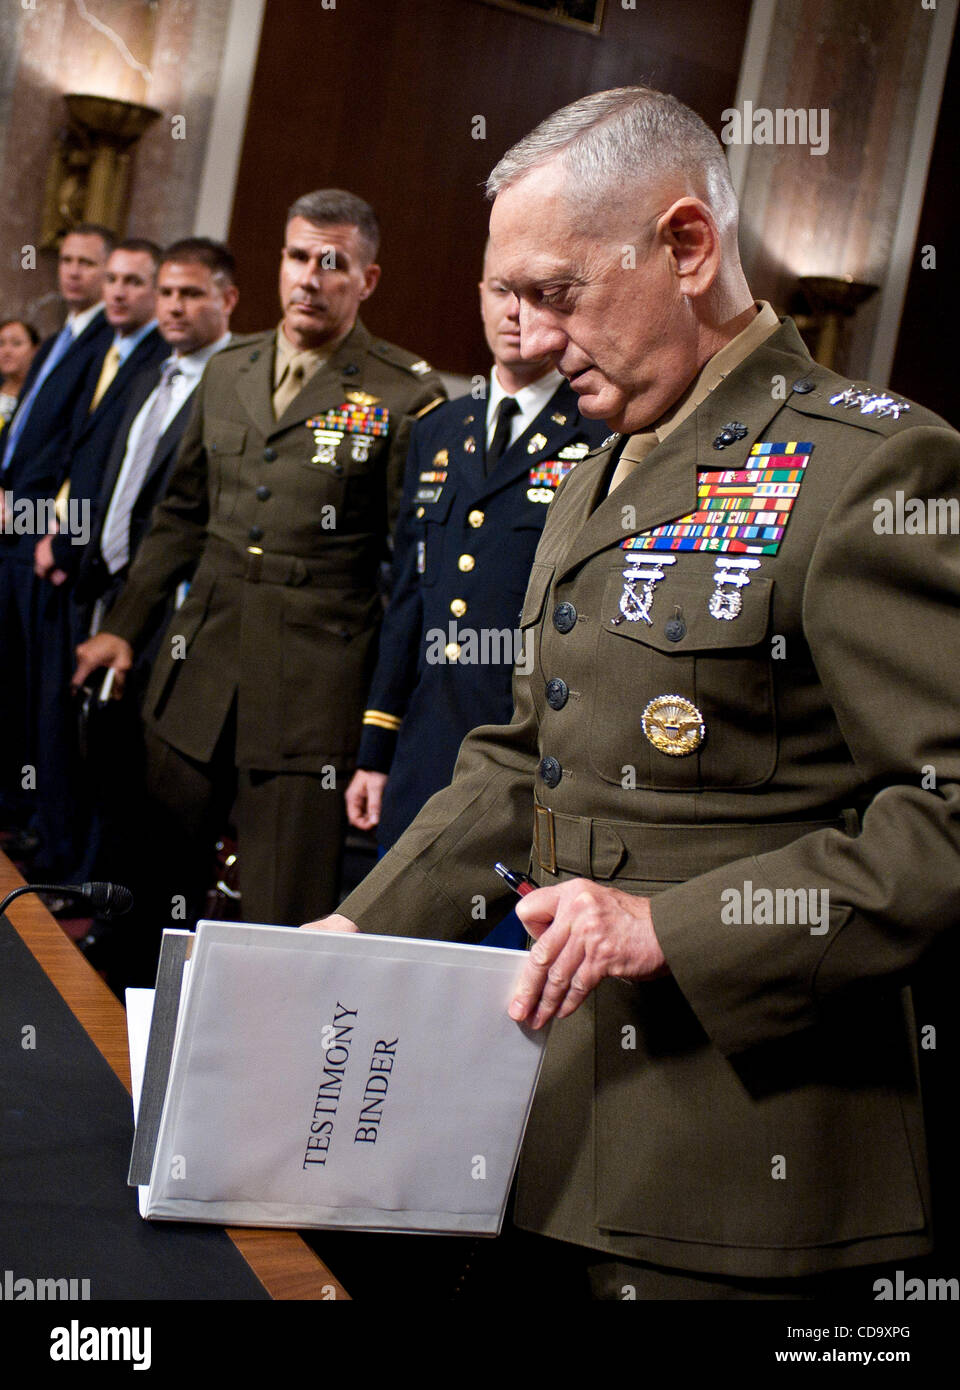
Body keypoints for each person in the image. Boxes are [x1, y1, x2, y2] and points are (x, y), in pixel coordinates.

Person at [305, 87, 960, 1299]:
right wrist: (356, 933)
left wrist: (672, 928)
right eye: (514, 299)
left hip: (734, 1156)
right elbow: (521, 754)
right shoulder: (597, 468)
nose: (535, 338)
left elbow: (943, 815)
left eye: (558, 294)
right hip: (546, 1114)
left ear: (688, 246)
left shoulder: (869, 468)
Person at [73, 190, 445, 980]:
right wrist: (124, 627)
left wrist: (384, 716)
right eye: (296, 256)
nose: (308, 277)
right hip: (196, 672)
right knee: (150, 896)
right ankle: (119, 1054)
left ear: (365, 279)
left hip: (308, 694)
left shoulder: (404, 394)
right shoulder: (231, 368)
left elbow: (406, 569)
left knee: (281, 917)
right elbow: (179, 513)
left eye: (330, 262)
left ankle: (264, 1084)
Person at [345, 241, 605, 949]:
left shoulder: (602, 437)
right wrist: (375, 748)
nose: (515, 314)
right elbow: (409, 596)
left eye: (537, 297)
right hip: (427, 747)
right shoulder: (437, 430)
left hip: (526, 753)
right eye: (500, 292)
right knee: (393, 952)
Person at [72, 238, 237, 968]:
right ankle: (105, 909)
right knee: (110, 768)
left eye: (190, 294)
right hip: (118, 597)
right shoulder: (151, 374)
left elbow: (194, 519)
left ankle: (139, 943)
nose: (173, 306)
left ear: (227, 300)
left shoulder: (230, 384)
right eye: (165, 293)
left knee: (162, 797)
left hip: (181, 619)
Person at [27, 239, 165, 885]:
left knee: (87, 730)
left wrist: (69, 542)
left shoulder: (159, 361)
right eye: (112, 279)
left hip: (110, 572)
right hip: (69, 554)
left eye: (133, 281)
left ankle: (74, 866)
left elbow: (125, 484)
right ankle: (53, 848)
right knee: (53, 716)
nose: (115, 291)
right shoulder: (103, 352)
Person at [0, 224, 113, 840]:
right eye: (66, 260)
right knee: (11, 681)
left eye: (87, 263)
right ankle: (15, 807)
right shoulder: (55, 340)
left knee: (41, 692)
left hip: (44, 533)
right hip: (15, 529)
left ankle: (42, 822)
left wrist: (33, 519)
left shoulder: (105, 344)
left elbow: (80, 455)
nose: (72, 272)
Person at [0, 319, 39, 430]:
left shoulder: (39, 393)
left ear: (35, 350)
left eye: (16, 343)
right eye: (1, 343)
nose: (7, 351)